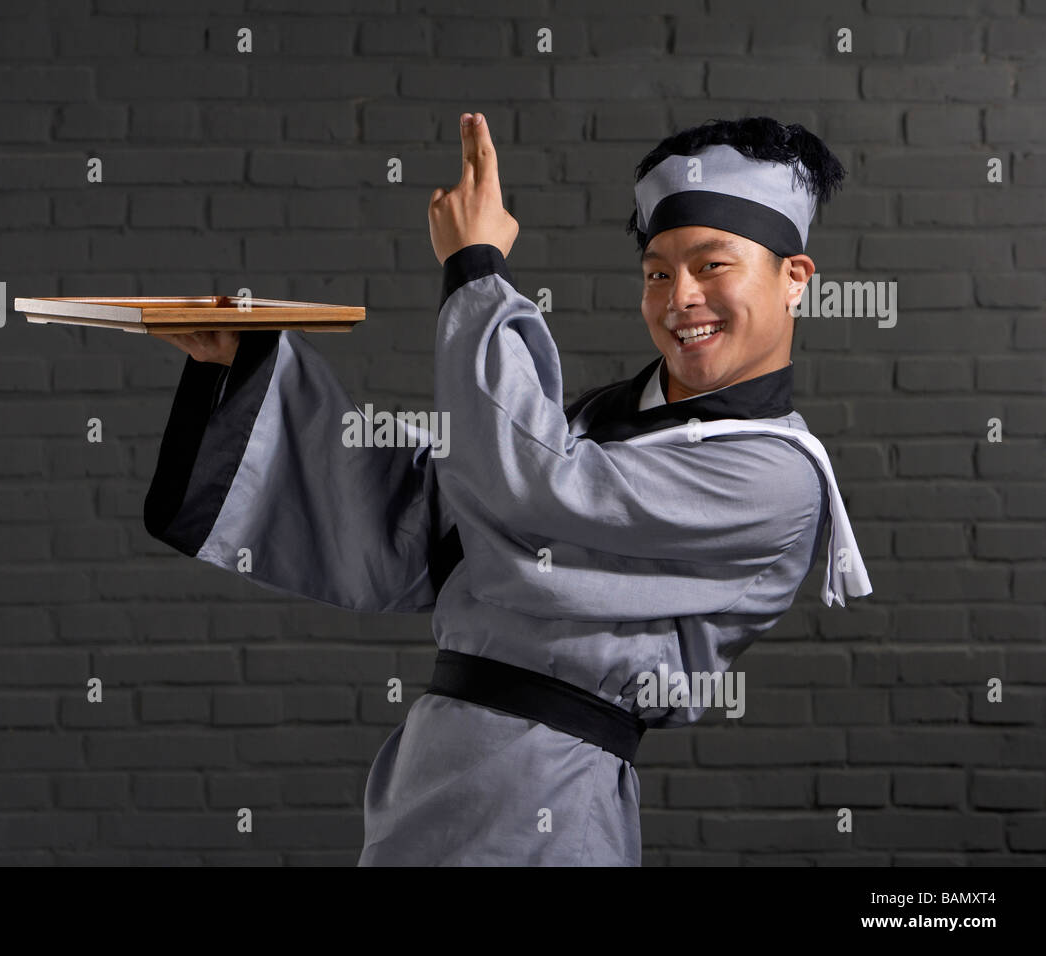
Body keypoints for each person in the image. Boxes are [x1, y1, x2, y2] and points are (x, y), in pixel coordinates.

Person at [145, 113, 872, 866]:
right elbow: (437, 515)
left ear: (796, 280)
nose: (680, 296)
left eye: (713, 266)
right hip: (433, 770)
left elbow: (530, 492)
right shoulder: (601, 418)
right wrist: (246, 364)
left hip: (545, 793)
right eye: (658, 272)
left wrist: (476, 266)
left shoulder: (775, 476)